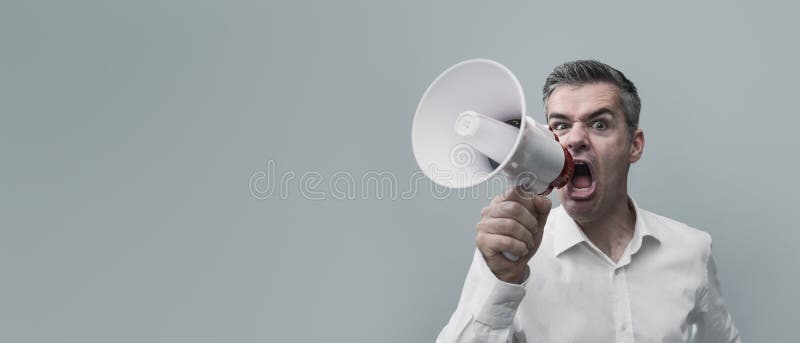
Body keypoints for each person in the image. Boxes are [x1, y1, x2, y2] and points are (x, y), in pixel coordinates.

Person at [436, 60, 741, 342]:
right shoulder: (511, 255)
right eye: (560, 125)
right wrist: (503, 279)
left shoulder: (691, 250)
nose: (575, 139)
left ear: (634, 146)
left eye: (599, 124)